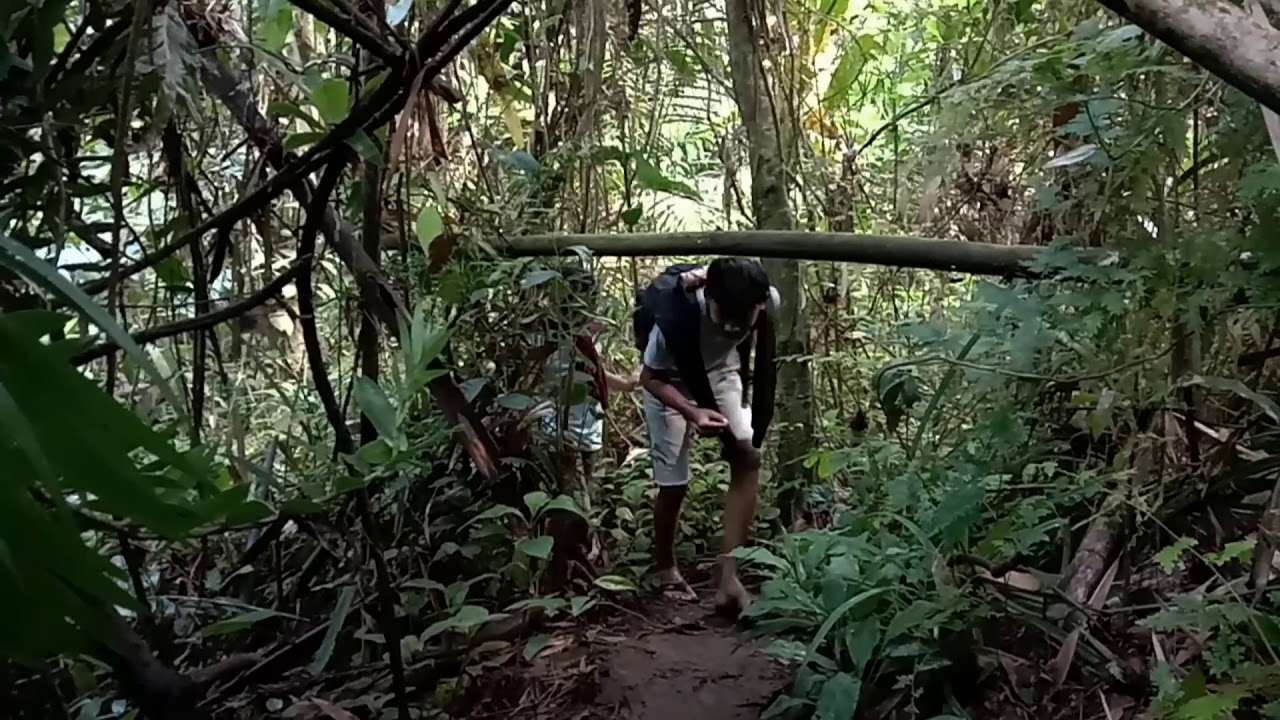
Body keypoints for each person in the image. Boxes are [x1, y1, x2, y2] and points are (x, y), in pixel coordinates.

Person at [634, 257, 778, 615]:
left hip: (719, 373)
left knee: (748, 457)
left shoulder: (765, 300)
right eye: (723, 316)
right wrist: (692, 412)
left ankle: (728, 577)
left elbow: (758, 357)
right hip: (671, 382)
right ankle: (666, 567)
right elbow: (649, 378)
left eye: (740, 321)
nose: (731, 327)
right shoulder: (675, 314)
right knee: (674, 485)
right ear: (708, 300)